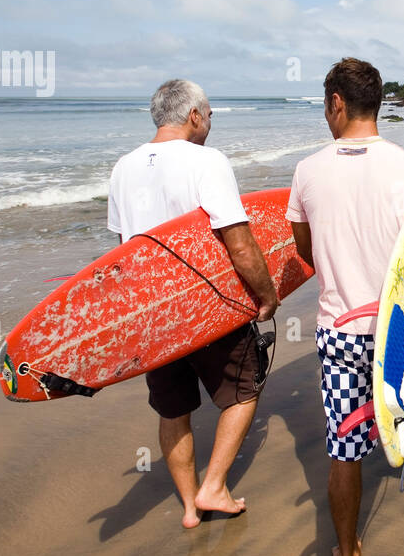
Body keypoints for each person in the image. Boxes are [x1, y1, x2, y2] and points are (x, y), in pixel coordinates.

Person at [286, 58, 404, 556]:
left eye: (325, 104)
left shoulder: (306, 171)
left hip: (340, 331)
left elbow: (306, 250)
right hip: (402, 329)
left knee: (344, 447)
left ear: (337, 103)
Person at [107, 79, 279, 528]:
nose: (210, 126)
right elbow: (237, 240)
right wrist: (265, 294)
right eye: (210, 117)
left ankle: (188, 508)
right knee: (244, 392)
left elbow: (121, 250)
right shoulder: (206, 160)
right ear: (195, 116)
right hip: (207, 306)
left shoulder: (123, 167)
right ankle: (213, 486)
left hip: (151, 312)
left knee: (173, 407)